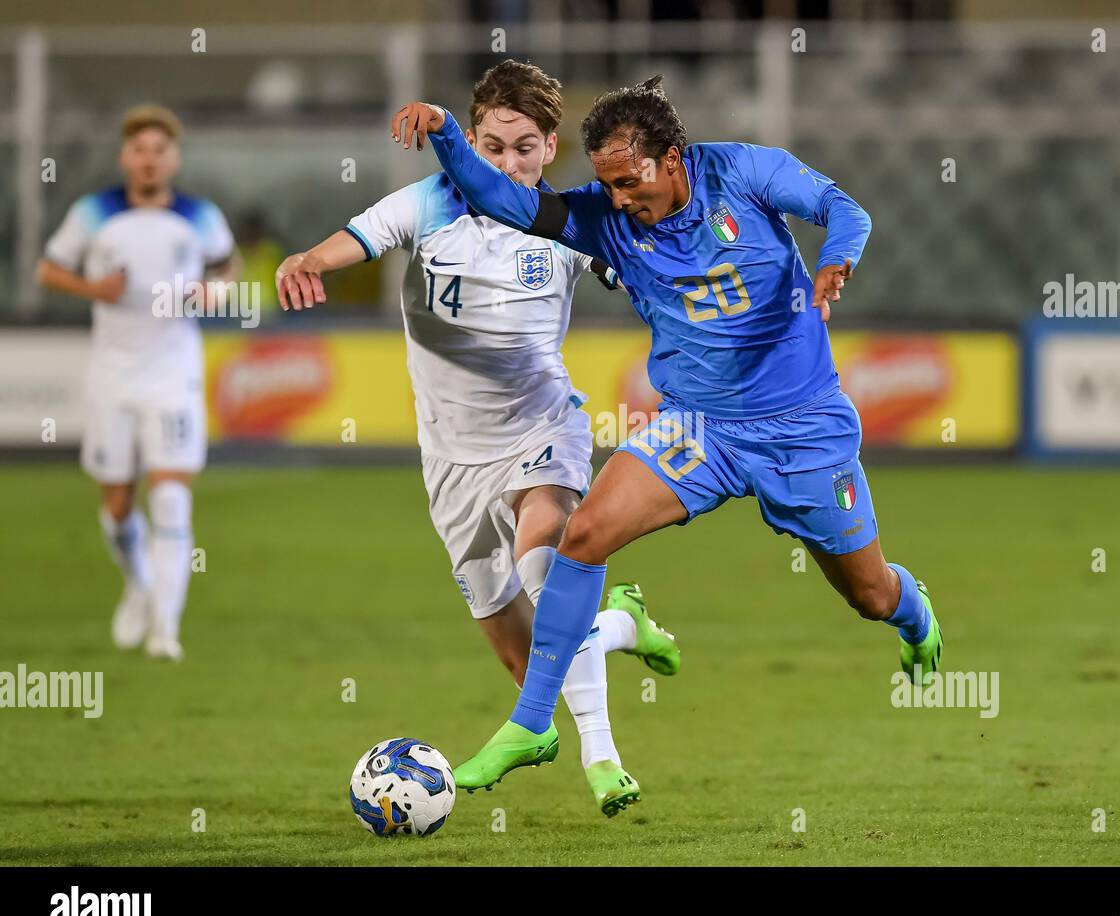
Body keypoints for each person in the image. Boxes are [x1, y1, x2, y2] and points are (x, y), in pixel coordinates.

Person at [390, 74, 944, 793]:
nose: (620, 199)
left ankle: (913, 610)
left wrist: (836, 258)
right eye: (607, 185)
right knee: (583, 534)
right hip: (700, 427)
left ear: (673, 159)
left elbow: (844, 208)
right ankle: (530, 724)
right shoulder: (604, 217)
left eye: (630, 181)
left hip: (802, 429)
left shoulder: (744, 171)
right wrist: (443, 130)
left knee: (867, 594)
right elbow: (504, 199)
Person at [275, 61, 679, 817]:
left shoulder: (564, 222)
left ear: (550, 147)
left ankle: (606, 761)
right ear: (468, 140)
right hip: (452, 459)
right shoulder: (431, 202)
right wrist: (307, 260)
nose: (507, 163)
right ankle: (621, 622)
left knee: (544, 559)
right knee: (523, 656)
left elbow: (648, 271)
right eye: (492, 146)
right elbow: (357, 239)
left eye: (524, 148)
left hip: (542, 428)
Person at [37, 104, 240, 661]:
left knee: (171, 497)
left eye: (160, 151)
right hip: (113, 377)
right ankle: (138, 584)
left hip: (174, 376)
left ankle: (165, 629)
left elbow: (228, 270)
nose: (150, 160)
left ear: (173, 158)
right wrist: (92, 289)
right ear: (126, 156)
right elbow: (48, 269)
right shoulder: (93, 212)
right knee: (120, 505)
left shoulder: (199, 215)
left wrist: (215, 294)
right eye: (140, 150)